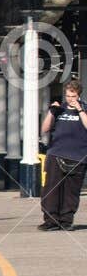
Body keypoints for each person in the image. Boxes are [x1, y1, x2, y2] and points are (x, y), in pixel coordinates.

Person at [39, 79, 87, 230]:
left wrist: (80, 110)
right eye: (68, 96)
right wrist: (51, 112)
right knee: (51, 189)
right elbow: (44, 129)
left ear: (79, 95)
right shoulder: (60, 109)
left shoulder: (84, 108)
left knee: (71, 191)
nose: (70, 99)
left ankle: (66, 221)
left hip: (78, 156)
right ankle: (51, 221)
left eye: (73, 96)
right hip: (56, 153)